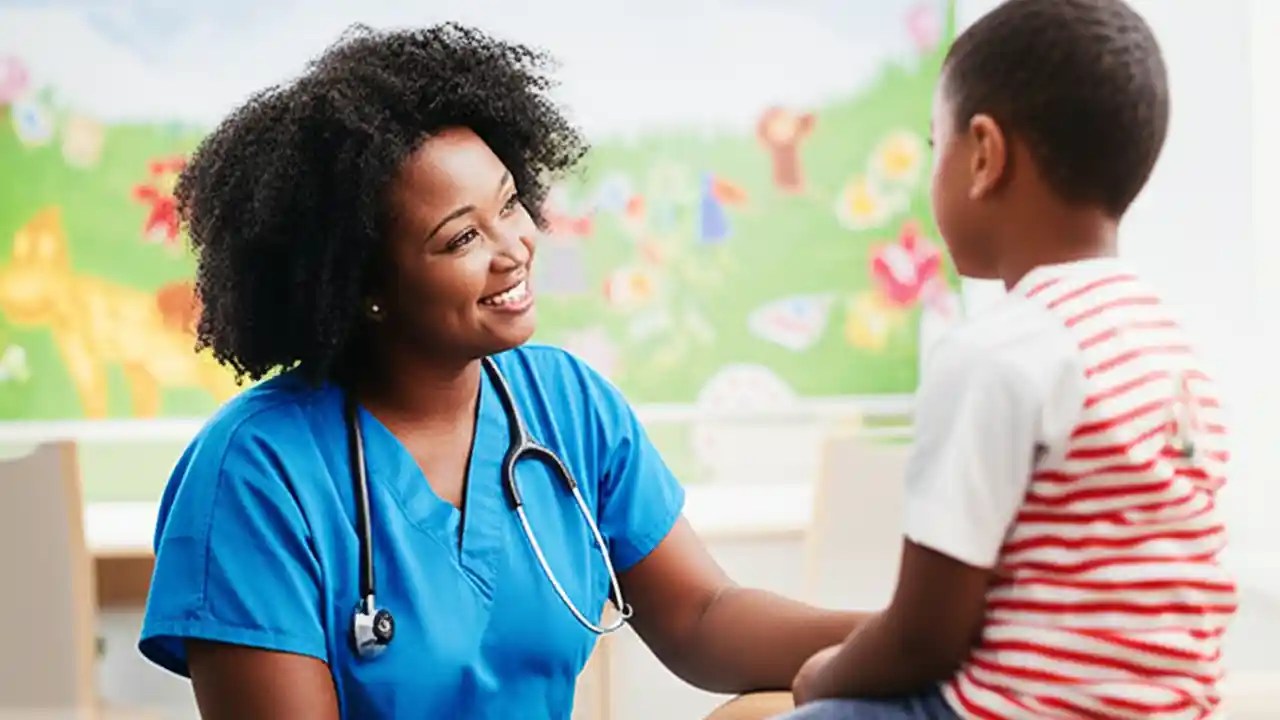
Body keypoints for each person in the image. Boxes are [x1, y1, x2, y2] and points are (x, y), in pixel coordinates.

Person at [136, 23, 864, 720]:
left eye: (510, 202)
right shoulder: (257, 474)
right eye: (461, 238)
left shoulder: (565, 405)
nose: (514, 248)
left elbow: (702, 619)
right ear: (361, 287)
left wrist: (901, 638)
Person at [781, 0, 1237, 718]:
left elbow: (924, 639)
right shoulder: (1174, 353)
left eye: (937, 148)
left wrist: (821, 677)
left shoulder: (1000, 352)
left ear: (985, 155)